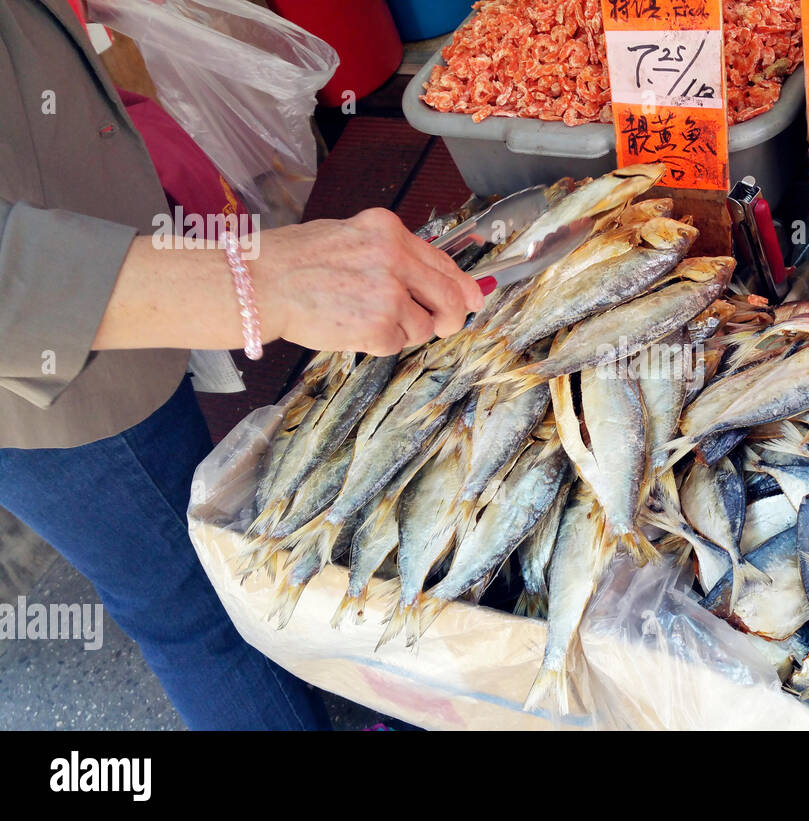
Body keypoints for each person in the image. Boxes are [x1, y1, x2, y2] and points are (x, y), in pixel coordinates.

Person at [0, 0, 483, 729]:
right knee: (197, 611)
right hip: (52, 373)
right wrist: (260, 280)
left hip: (100, 238)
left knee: (231, 568)